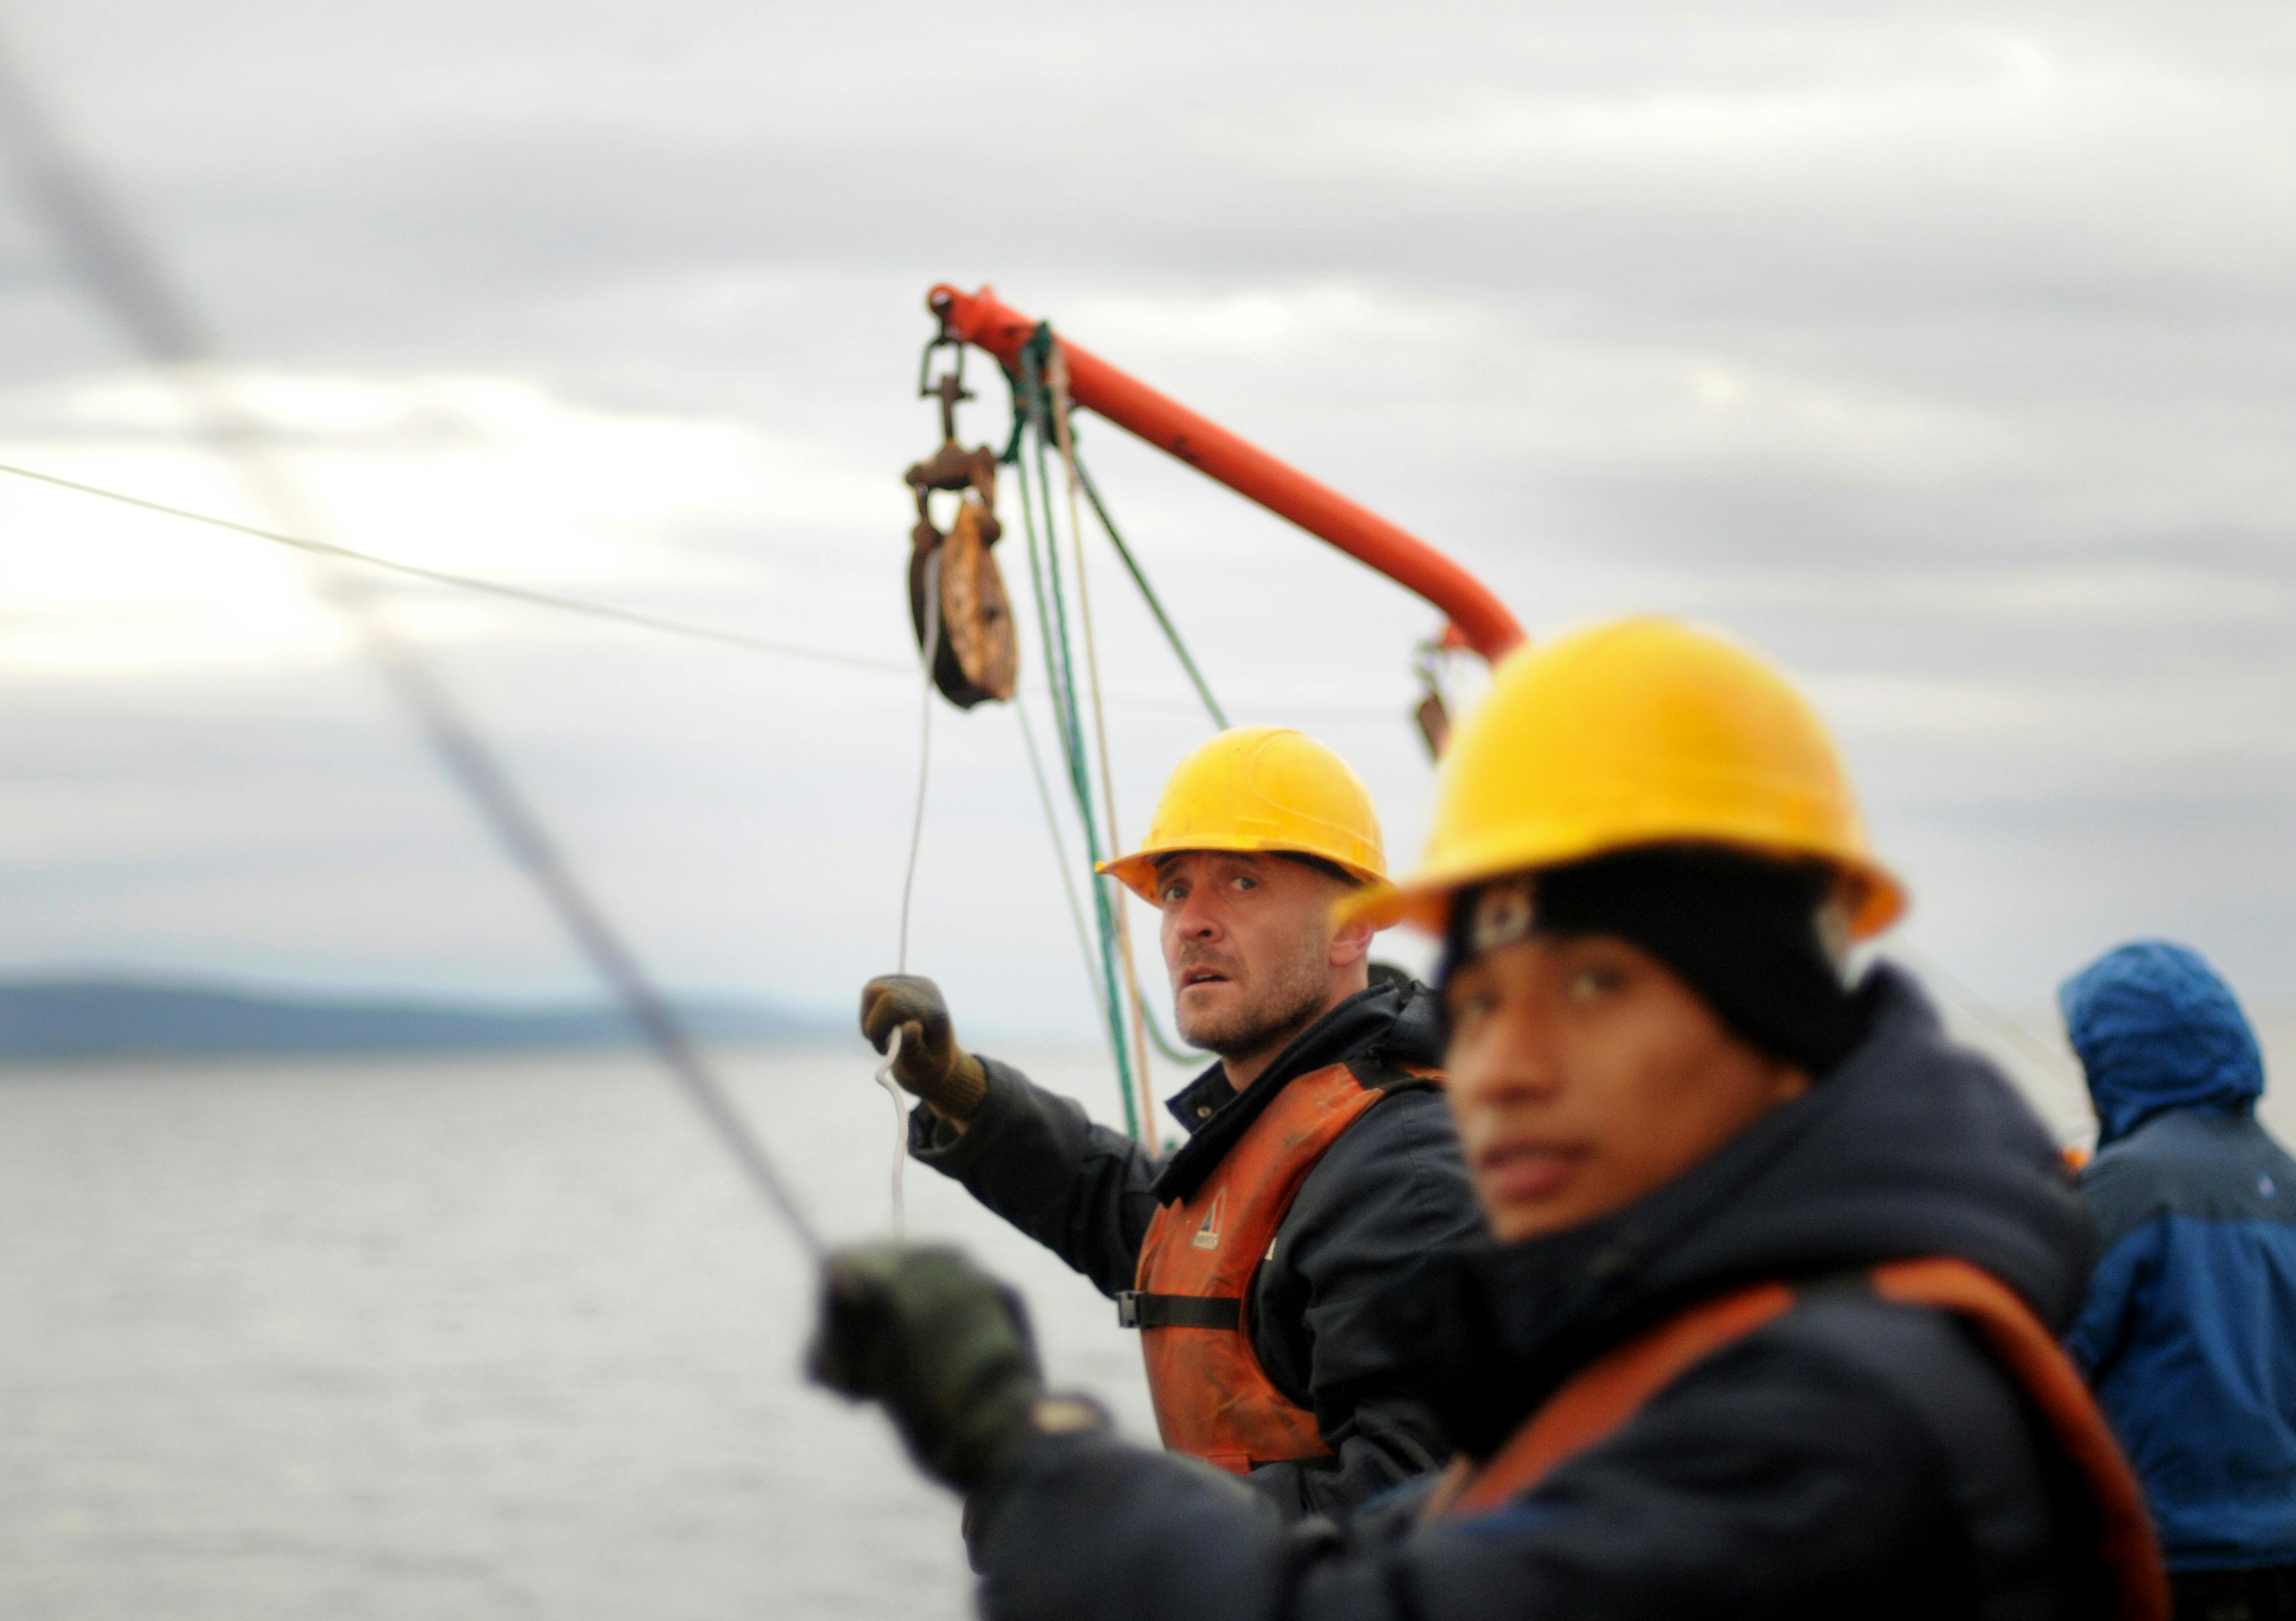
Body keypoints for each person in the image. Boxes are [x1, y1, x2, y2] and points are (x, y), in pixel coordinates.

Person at [813, 618, 2168, 1619]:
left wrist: (1047, 1469)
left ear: (1764, 1003)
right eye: (1490, 993)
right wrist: (967, 1099)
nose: (1504, 1063)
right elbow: (1166, 1226)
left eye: (1589, 984)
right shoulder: (1726, 1312)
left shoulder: (1827, 1413)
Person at [856, 725, 1486, 1518]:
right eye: (1177, 889)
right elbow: (1147, 1225)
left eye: (1243, 884)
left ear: (1355, 926)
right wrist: (960, 1090)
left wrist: (1116, 1525)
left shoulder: (1406, 1172)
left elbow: (1421, 1512)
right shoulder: (1291, 1126)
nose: (1192, 922)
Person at [2063, 940, 2296, 1620]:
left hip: (2165, 1552)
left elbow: (2051, 1363)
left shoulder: (2125, 1185)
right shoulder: (2287, 1177)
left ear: (2115, 1056)